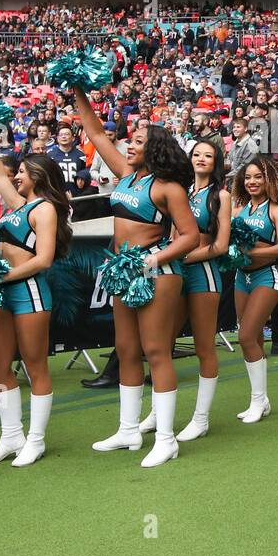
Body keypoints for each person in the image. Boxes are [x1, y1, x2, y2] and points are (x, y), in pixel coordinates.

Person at [73, 82, 199, 468]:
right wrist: (77, 87)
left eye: (138, 141)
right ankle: (129, 429)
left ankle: (165, 438)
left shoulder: (168, 187)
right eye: (130, 139)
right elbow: (94, 131)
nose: (129, 144)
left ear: (155, 148)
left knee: (156, 351)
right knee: (126, 349)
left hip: (157, 272)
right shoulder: (125, 174)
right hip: (121, 270)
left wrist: (152, 259)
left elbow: (191, 236)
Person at [0, 147, 72, 468]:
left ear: (37, 175)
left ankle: (36, 439)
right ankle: (11, 435)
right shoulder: (19, 205)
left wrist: (2, 277)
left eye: (21, 171)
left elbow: (43, 260)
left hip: (28, 292)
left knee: (35, 367)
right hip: (3, 292)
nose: (15, 176)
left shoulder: (44, 209)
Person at [142, 140, 229, 442]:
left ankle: (200, 418)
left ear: (216, 161)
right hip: (174, 273)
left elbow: (220, 245)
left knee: (204, 345)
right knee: (161, 344)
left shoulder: (221, 195)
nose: (201, 159)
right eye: (197, 154)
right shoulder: (178, 189)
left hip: (202, 274)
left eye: (208, 155)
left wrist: (183, 256)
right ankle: (156, 412)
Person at [230, 156, 278, 423]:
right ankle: (260, 399)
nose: (252, 182)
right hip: (240, 278)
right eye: (248, 177)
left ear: (269, 180)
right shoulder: (238, 210)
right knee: (252, 338)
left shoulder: (277, 210)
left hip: (267, 276)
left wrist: (253, 251)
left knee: (245, 336)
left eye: (258, 177)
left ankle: (259, 400)